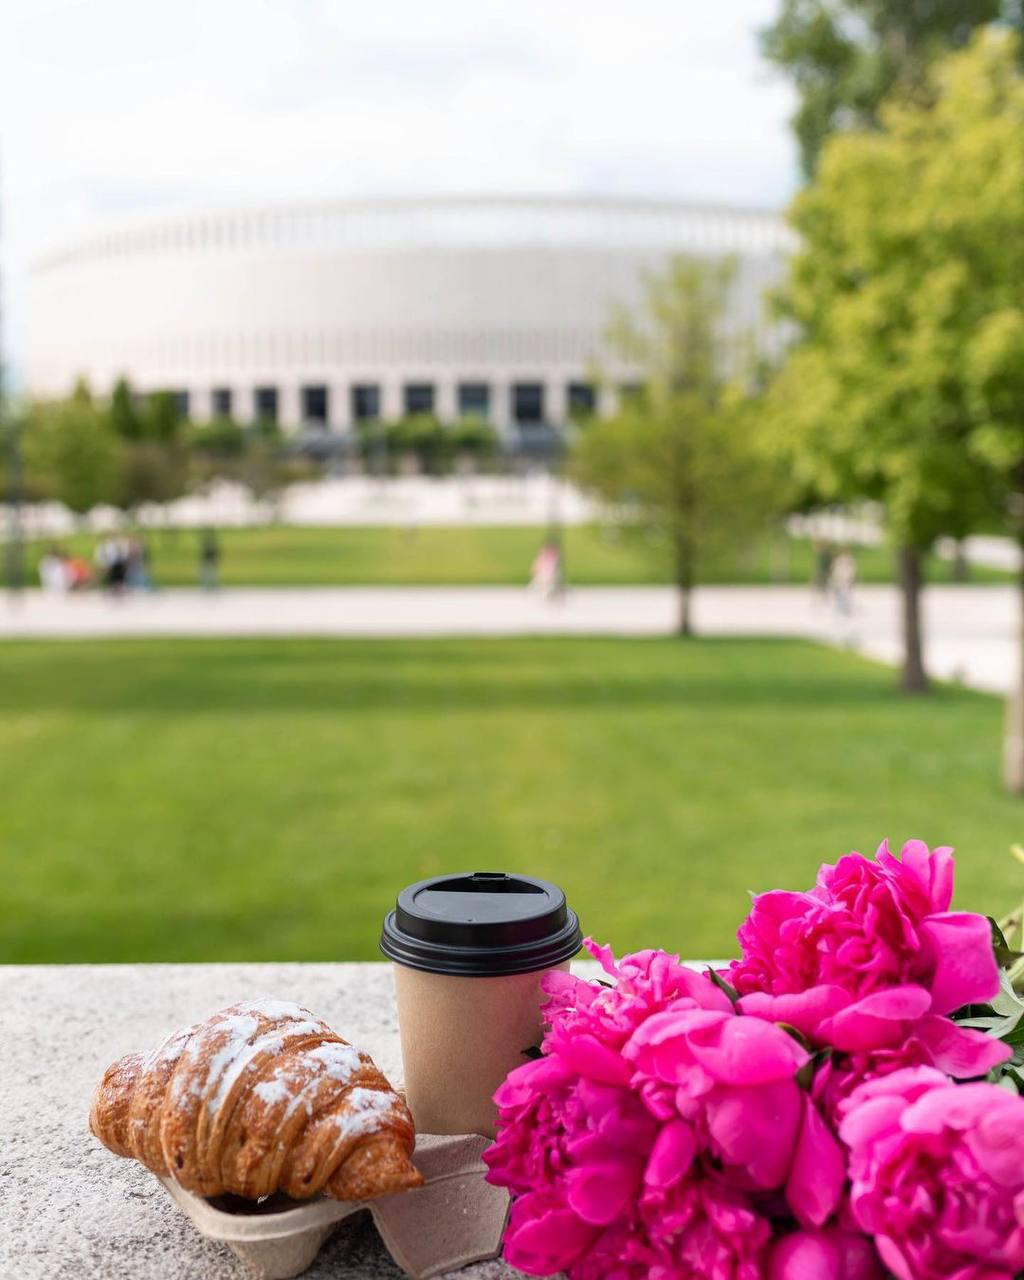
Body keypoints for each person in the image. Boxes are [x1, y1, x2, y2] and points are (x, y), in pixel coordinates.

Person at [829, 548, 857, 617]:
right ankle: (842, 607)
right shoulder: (839, 560)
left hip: (844, 579)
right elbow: (834, 570)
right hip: (840, 579)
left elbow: (851, 570)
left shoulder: (847, 560)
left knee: (845, 593)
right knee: (841, 594)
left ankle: (844, 607)